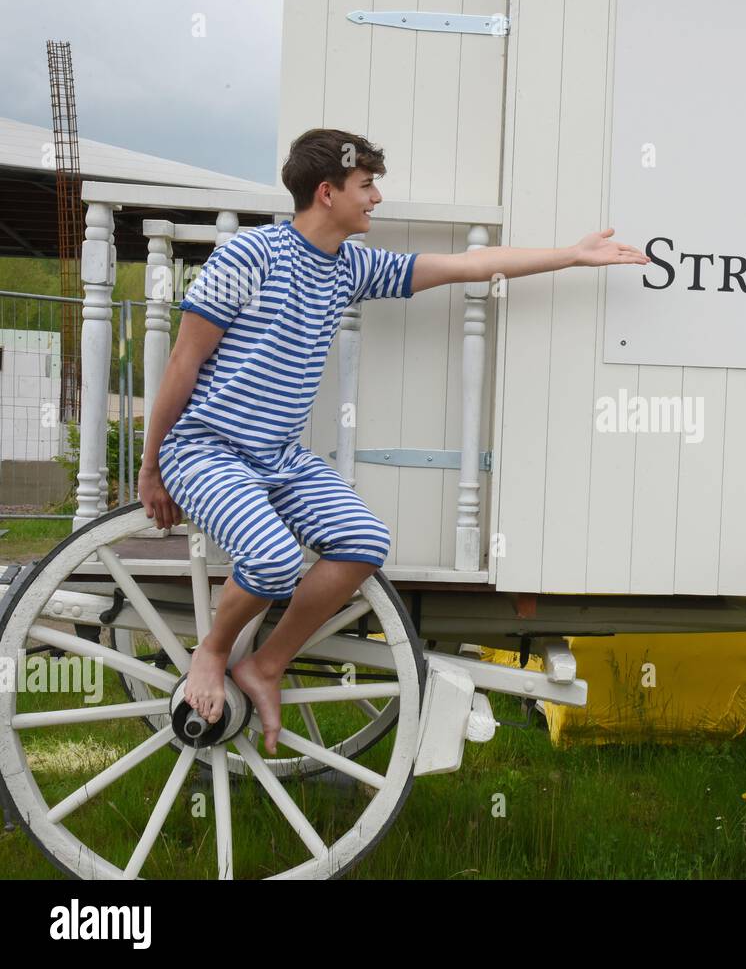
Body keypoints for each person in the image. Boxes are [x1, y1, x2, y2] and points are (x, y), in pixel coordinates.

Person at [137, 128, 649, 753]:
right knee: (272, 560)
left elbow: (467, 266)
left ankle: (265, 666)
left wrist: (571, 255)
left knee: (363, 542)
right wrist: (152, 468)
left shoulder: (350, 266)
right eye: (367, 185)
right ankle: (212, 654)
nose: (377, 197)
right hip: (206, 448)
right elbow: (182, 365)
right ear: (327, 193)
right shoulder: (246, 258)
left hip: (277, 458)